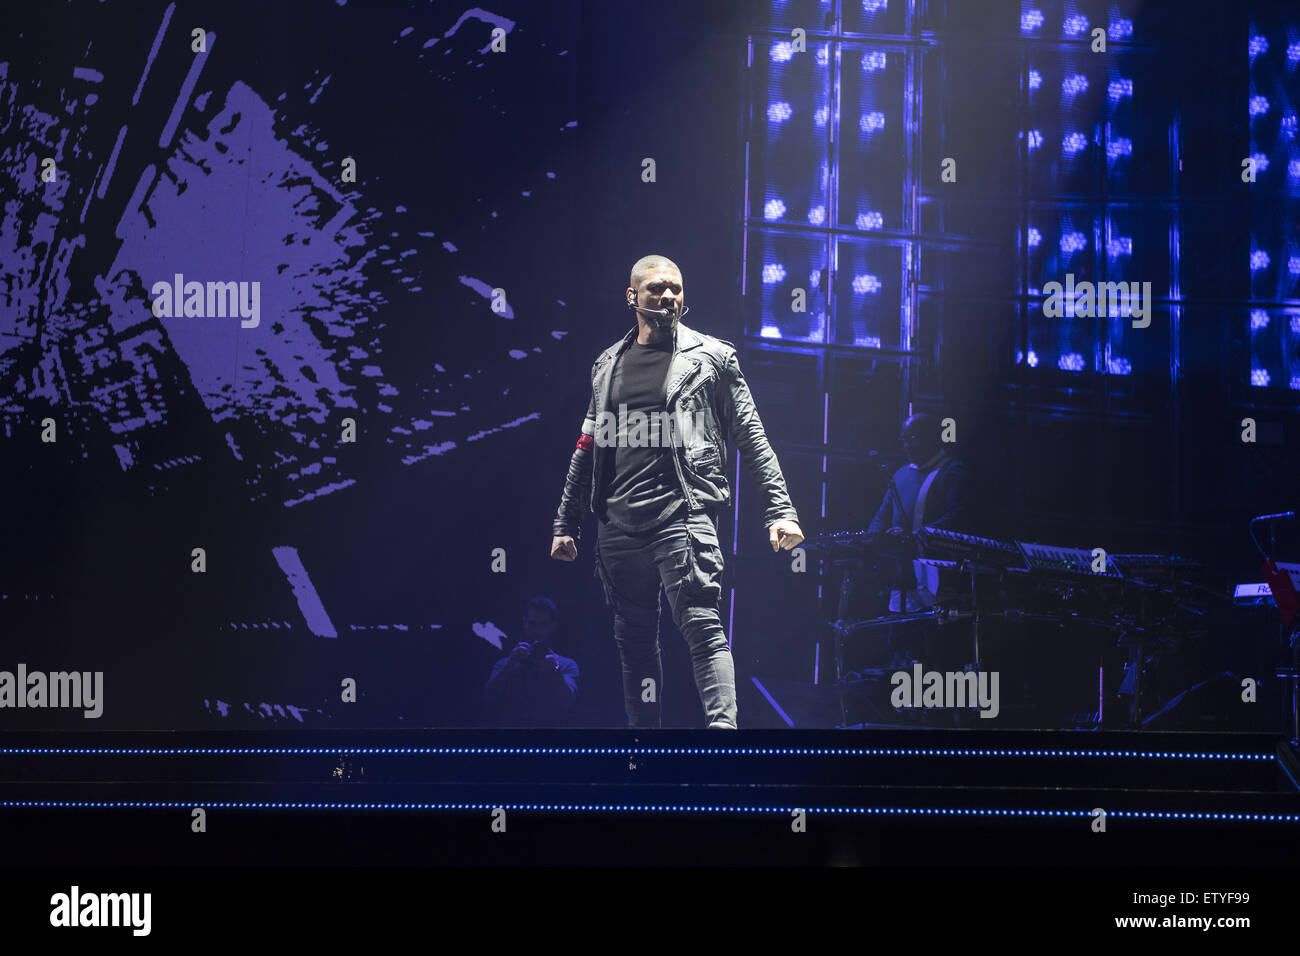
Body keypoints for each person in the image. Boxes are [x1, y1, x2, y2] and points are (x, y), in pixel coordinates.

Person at [549, 255, 803, 729]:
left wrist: (780, 510)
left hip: (681, 516)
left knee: (704, 629)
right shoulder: (607, 364)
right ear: (633, 297)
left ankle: (722, 735)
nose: (668, 297)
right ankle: (646, 756)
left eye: (676, 289)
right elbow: (587, 446)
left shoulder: (711, 358)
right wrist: (566, 524)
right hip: (617, 525)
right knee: (635, 647)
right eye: (656, 289)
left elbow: (751, 435)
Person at [868, 412, 971, 613]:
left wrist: (916, 536)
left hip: (938, 578)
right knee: (898, 637)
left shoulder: (951, 472)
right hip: (902, 576)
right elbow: (883, 514)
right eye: (903, 439)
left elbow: (959, 517)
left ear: (931, 437)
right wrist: (872, 538)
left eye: (912, 438)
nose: (906, 444)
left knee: (932, 640)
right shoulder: (902, 473)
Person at [483, 597, 579, 727]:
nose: (537, 630)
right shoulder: (508, 662)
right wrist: (510, 665)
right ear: (524, 623)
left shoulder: (565, 664)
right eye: (532, 623)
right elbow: (488, 697)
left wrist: (555, 672)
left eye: (543, 624)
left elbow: (568, 703)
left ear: (553, 626)